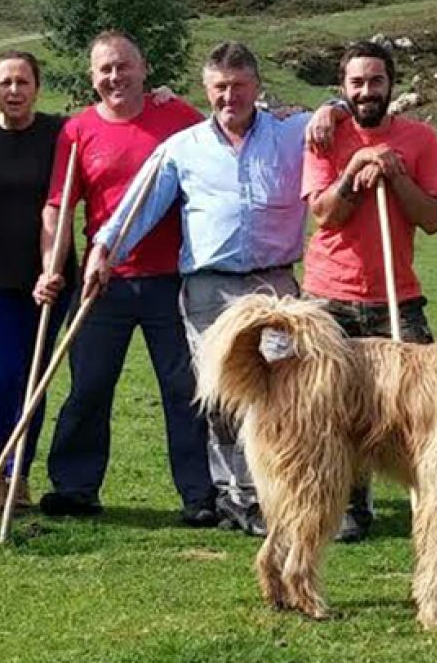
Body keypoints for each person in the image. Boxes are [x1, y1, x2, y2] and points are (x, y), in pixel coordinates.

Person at [82, 42, 341, 536]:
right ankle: (234, 495)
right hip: (209, 290)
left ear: (257, 88)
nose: (230, 97)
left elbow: (345, 98)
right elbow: (140, 205)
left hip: (275, 287)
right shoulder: (183, 147)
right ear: (207, 91)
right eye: (220, 88)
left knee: (280, 391)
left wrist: (333, 106)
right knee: (224, 392)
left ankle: (277, 491)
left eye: (239, 86)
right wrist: (104, 249)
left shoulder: (291, 133)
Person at [32, 31, 217, 526]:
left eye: (123, 66)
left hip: (171, 280)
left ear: (144, 68)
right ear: (92, 77)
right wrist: (53, 268)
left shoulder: (179, 119)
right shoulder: (76, 131)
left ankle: (202, 494)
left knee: (186, 391)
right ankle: (74, 487)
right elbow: (58, 206)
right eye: (104, 69)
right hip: (103, 282)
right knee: (88, 387)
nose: (115, 77)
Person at [301, 40, 437, 541]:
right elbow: (325, 214)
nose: (367, 91)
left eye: (376, 81)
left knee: (425, 402)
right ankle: (348, 505)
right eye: (357, 83)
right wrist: (353, 168)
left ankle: (430, 498)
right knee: (332, 406)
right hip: (329, 293)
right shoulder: (325, 135)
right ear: (343, 88)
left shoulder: (419, 138)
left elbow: (432, 219)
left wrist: (396, 173)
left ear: (391, 85)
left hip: (396, 294)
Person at [0, 51, 74, 514]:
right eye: (5, 82)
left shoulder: (59, 133)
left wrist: (160, 97)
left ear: (37, 88)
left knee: (33, 382)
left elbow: (112, 123)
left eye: (23, 82)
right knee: (2, 376)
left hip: (48, 277)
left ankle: (19, 477)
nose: (15, 90)